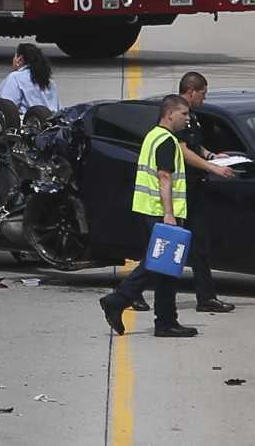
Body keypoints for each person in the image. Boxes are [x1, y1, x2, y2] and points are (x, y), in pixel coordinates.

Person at [99, 96, 200, 339]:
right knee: (158, 263)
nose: (188, 119)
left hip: (148, 209)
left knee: (164, 269)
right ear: (169, 115)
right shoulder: (166, 140)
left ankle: (166, 322)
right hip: (159, 212)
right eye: (184, 114)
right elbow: (164, 177)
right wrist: (169, 214)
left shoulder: (153, 135)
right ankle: (118, 300)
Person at [175, 72, 237, 314]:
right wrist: (213, 168)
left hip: (194, 188)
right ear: (191, 91)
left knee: (200, 243)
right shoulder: (176, 113)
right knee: (169, 245)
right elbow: (182, 151)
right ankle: (130, 292)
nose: (204, 99)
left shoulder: (192, 117)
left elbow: (194, 145)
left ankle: (206, 297)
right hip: (181, 190)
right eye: (203, 94)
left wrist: (211, 155)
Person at [0, 43, 58, 112]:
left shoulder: (15, 77)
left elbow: (5, 107)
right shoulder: (49, 81)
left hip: (31, 120)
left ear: (19, 59)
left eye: (15, 57)